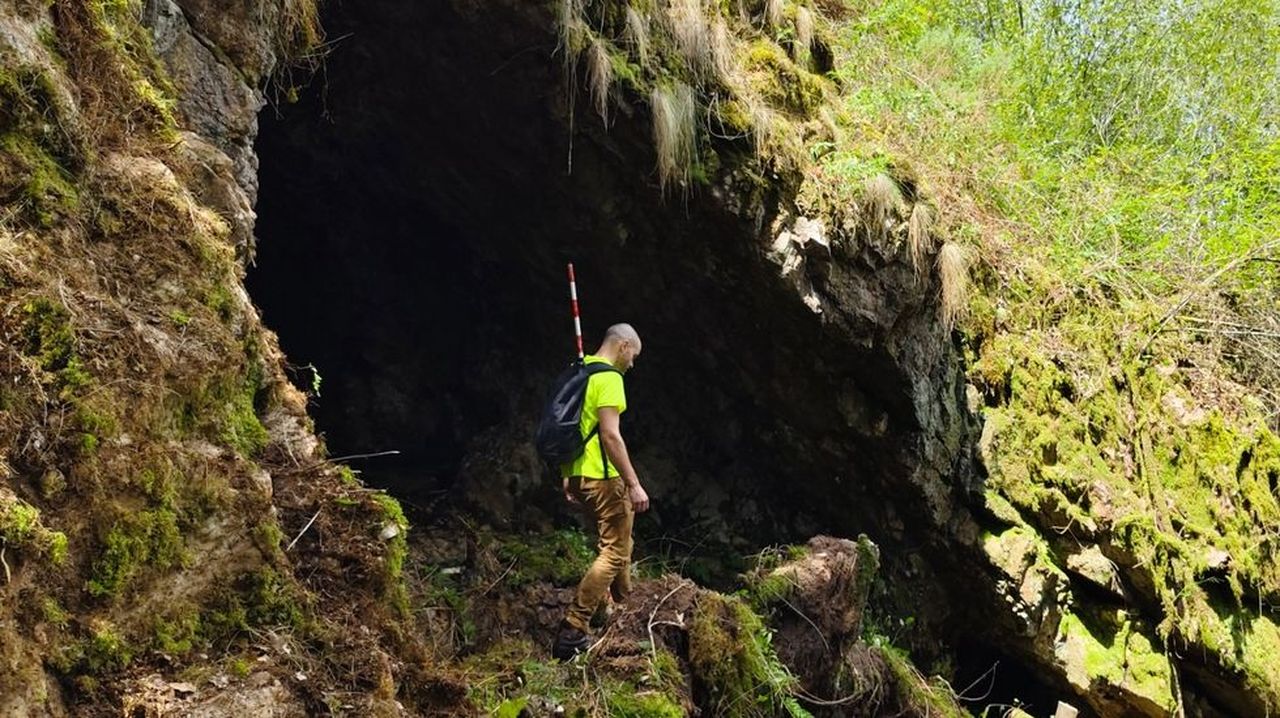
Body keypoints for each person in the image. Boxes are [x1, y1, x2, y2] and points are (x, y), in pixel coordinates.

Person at [552, 323, 650, 660]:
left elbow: (575, 428)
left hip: (579, 474)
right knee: (614, 552)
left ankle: (625, 607)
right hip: (603, 477)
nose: (633, 364)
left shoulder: (580, 372)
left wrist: (569, 475)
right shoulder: (609, 378)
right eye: (633, 356)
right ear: (623, 346)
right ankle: (574, 628)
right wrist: (634, 483)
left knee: (621, 543)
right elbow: (609, 435)